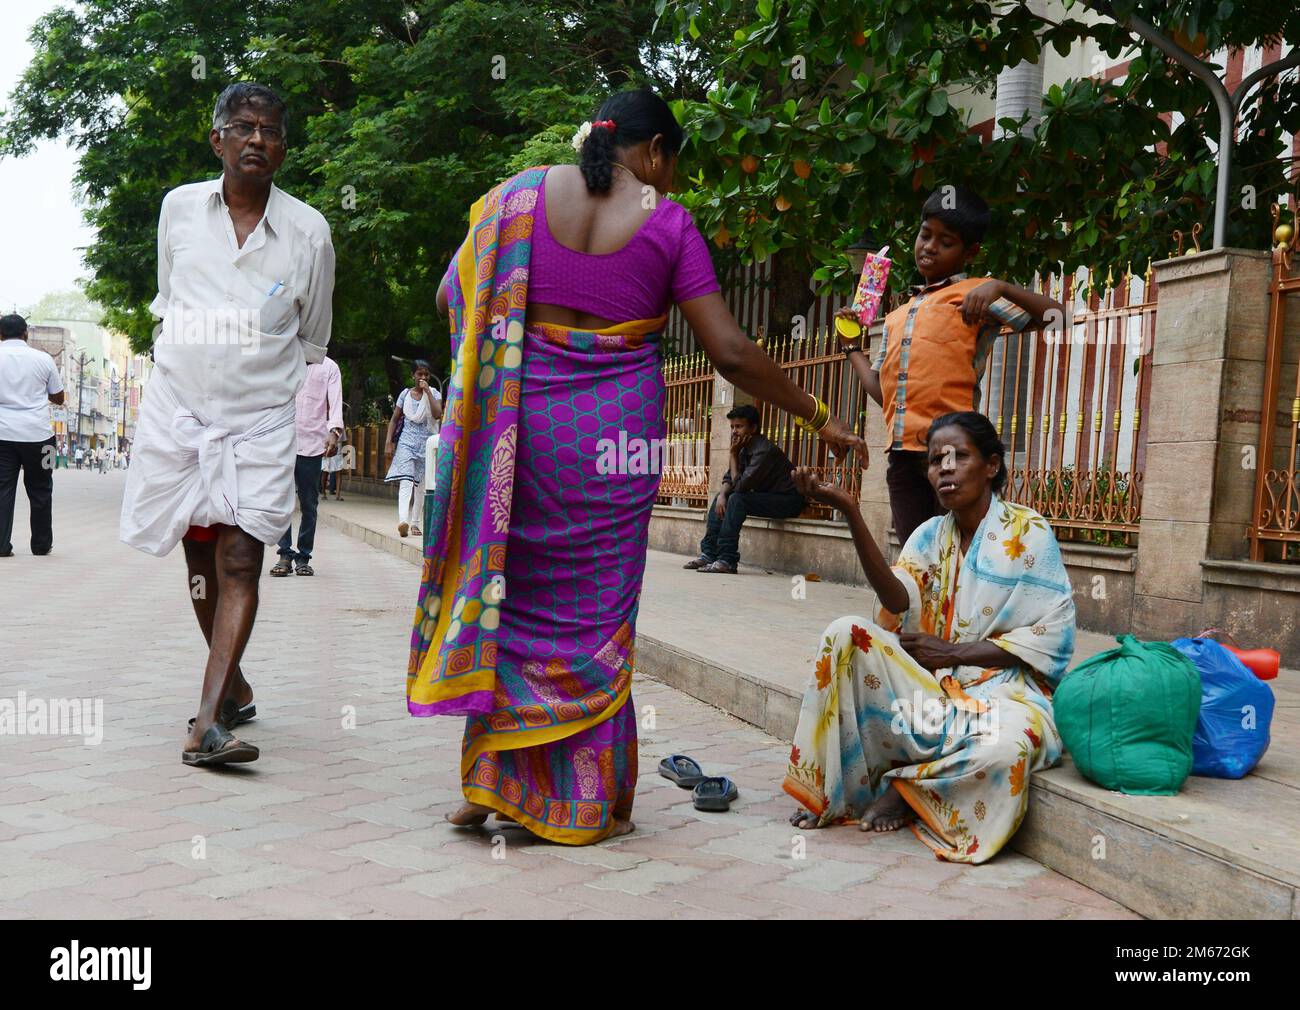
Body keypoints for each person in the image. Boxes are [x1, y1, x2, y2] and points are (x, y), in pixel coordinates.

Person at [409, 88, 867, 845]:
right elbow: (730, 351)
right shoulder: (668, 221)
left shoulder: (517, 198)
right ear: (655, 151)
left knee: (510, 598)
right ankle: (581, 802)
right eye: (674, 164)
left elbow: (447, 295)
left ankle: (489, 785)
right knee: (596, 615)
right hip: (613, 444)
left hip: (521, 435)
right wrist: (821, 416)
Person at [119, 82, 335, 767]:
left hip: (260, 420)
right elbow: (170, 299)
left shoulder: (309, 231)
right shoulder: (179, 209)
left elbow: (312, 338)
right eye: (242, 127)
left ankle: (207, 723)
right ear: (217, 139)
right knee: (198, 558)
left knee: (241, 557)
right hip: (180, 412)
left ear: (284, 148)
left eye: (270, 131)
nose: (257, 140)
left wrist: (254, 379)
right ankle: (234, 683)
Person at [784, 411, 1075, 864]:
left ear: (991, 466)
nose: (946, 468)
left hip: (1008, 694)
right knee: (845, 633)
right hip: (935, 692)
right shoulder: (928, 535)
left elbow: (1051, 639)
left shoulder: (1029, 531)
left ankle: (907, 789)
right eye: (937, 459)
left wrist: (955, 652)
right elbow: (897, 600)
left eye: (960, 456)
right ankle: (835, 790)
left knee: (1005, 749)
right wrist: (851, 511)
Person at [837, 186, 1062, 546]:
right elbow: (883, 392)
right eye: (925, 235)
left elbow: (1058, 318)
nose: (929, 247)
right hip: (902, 459)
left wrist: (1001, 288)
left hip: (953, 455)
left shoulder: (976, 295)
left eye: (946, 242)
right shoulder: (897, 316)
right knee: (917, 556)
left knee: (962, 552)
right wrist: (851, 348)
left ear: (970, 252)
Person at [683, 403, 805, 574]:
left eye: (739, 426)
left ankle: (727, 559)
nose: (734, 431)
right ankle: (709, 554)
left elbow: (740, 487)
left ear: (753, 428)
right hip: (767, 497)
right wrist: (722, 495)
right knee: (722, 497)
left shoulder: (763, 451)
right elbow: (729, 478)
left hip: (788, 501)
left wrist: (733, 454)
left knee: (737, 499)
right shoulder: (744, 447)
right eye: (732, 427)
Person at [271, 354, 343, 577]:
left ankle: (303, 557)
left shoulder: (330, 367)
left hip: (312, 445)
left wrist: (334, 432)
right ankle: (284, 554)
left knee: (309, 504)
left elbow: (336, 403)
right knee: (282, 502)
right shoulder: (283, 360)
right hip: (282, 441)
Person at [0, 314, 64, 558]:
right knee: (42, 488)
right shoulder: (43, 359)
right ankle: (41, 545)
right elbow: (59, 397)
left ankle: (1, 545)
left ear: (0, 334)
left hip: (2, 436)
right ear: (25, 333)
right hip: (41, 437)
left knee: (2, 489)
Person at [383, 361, 440, 538]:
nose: (423, 377)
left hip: (426, 444)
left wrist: (428, 392)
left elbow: (437, 414)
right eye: (419, 374)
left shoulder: (434, 393)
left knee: (421, 486)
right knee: (406, 481)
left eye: (426, 374)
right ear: (412, 375)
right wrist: (388, 442)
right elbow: (395, 419)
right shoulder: (405, 394)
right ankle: (403, 521)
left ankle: (415, 522)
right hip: (407, 442)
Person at [321, 414, 350, 500]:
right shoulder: (324, 421)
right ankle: (323, 493)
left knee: (338, 471)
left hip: (338, 448)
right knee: (325, 471)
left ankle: (337, 495)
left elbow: (343, 439)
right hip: (326, 447)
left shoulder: (340, 424)